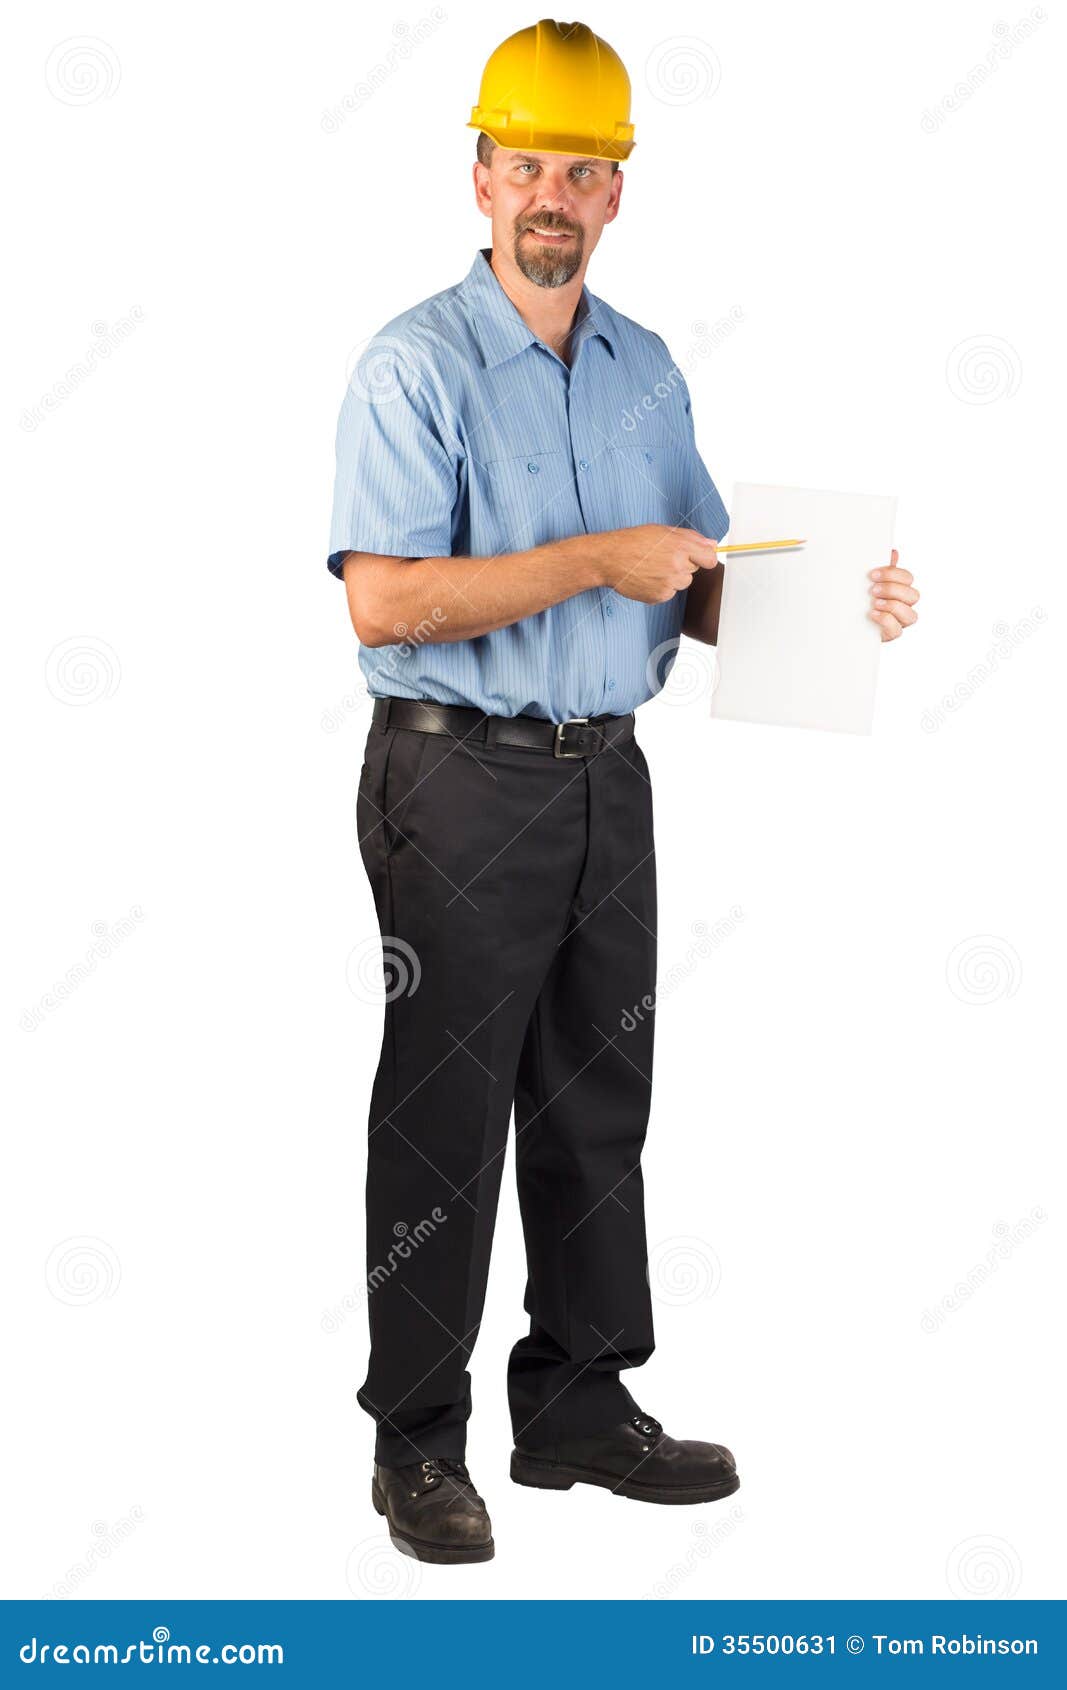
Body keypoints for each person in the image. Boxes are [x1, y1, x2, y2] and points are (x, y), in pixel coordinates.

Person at [326, 20, 919, 1566]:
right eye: (528, 163)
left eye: (583, 171)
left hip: (608, 778)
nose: (554, 195)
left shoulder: (647, 369)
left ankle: (578, 1402)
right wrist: (596, 558)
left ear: (616, 194)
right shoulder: (414, 367)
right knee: (448, 1114)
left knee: (598, 1096)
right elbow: (386, 603)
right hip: (456, 779)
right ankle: (417, 1440)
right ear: (480, 177)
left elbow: (696, 581)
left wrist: (835, 604)